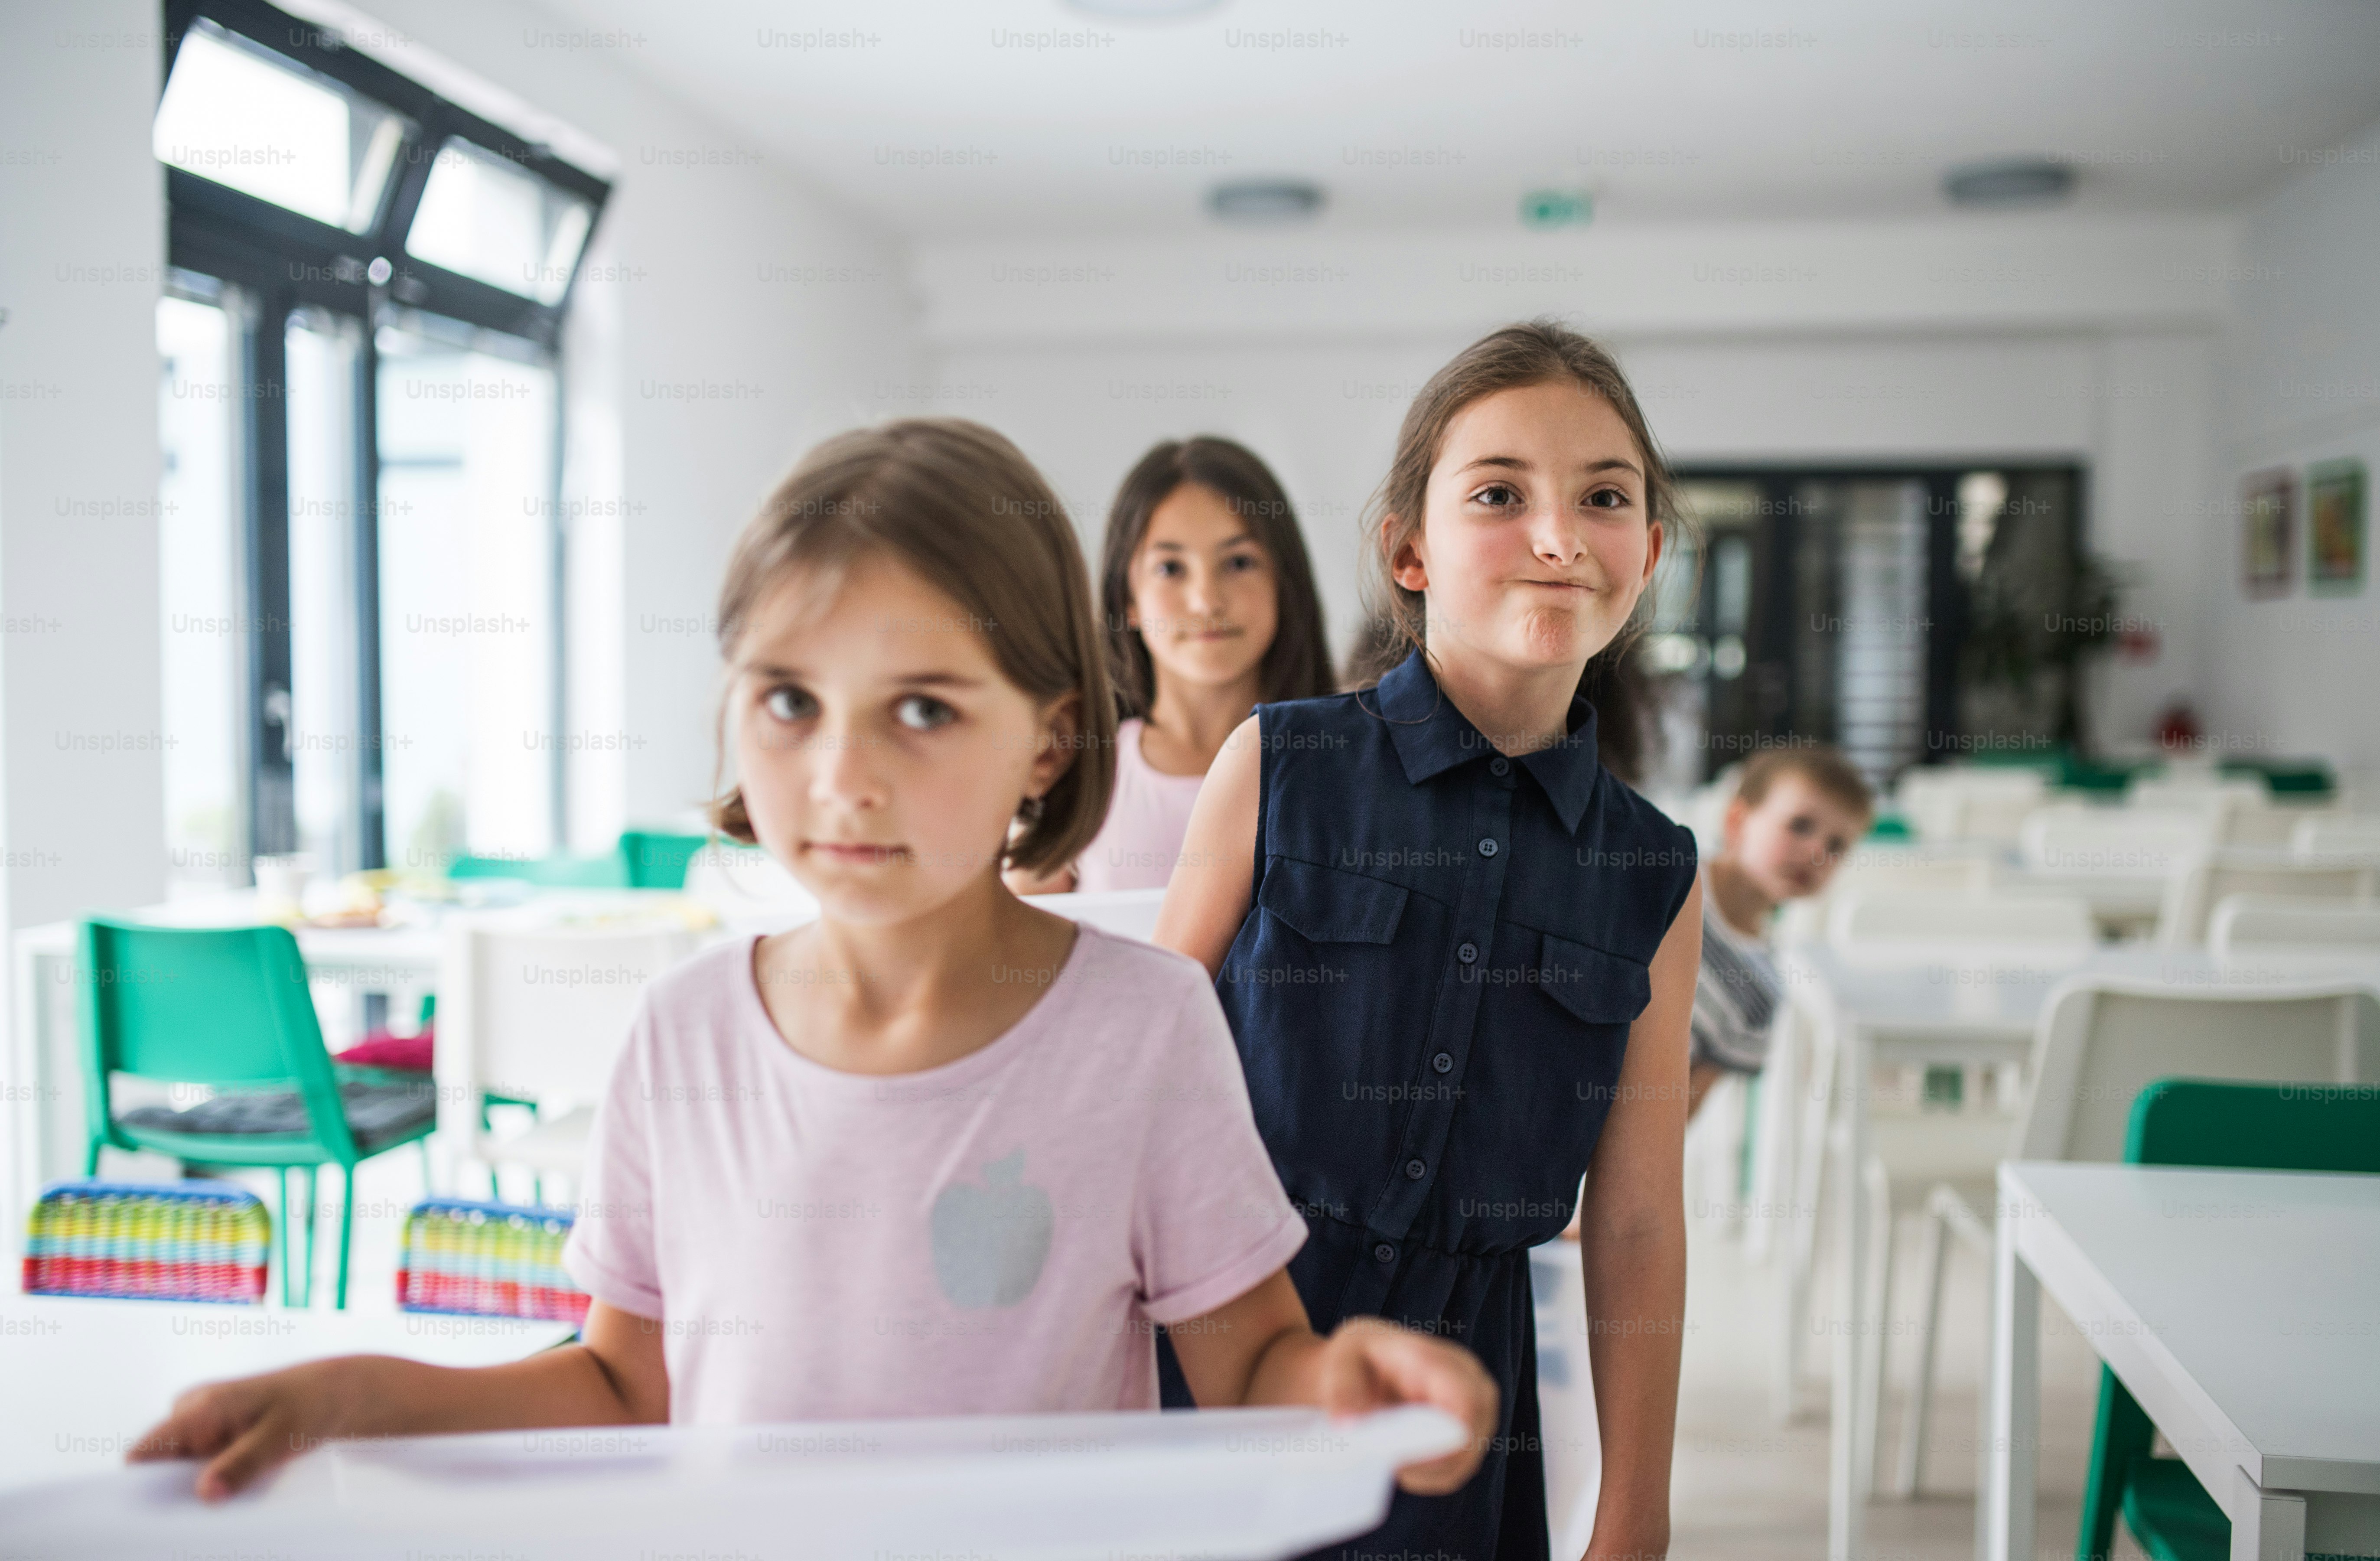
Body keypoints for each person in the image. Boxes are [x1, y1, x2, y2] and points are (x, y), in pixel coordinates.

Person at [131, 419, 1494, 1501]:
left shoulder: (1142, 1029)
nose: (842, 777)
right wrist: (354, 1395)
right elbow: (621, 1388)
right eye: (790, 700)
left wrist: (1338, 1384)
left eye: (921, 708)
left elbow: (1250, 1359)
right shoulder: (683, 1035)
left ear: (1048, 738)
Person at [1155, 321, 1703, 1561]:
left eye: (1604, 498)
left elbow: (1633, 1223)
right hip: (1219, 1347)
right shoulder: (1280, 764)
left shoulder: (1655, 875)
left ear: (1649, 553)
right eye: (1500, 495)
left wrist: (1635, 1511)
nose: (1559, 538)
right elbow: (1139, 1065)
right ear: (1408, 548)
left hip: (1462, 1410)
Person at [1018, 436, 1332, 894]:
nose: (1206, 601)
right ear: (1126, 597)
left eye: (1239, 562)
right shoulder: (1076, 775)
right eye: (1170, 568)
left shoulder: (1351, 771)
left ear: (1284, 583)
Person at [1683, 746, 1873, 1116]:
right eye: (1800, 825)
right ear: (1737, 822)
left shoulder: (1763, 990)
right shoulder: (1670, 884)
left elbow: (1681, 1113)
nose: (1817, 852)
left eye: (1836, 846)